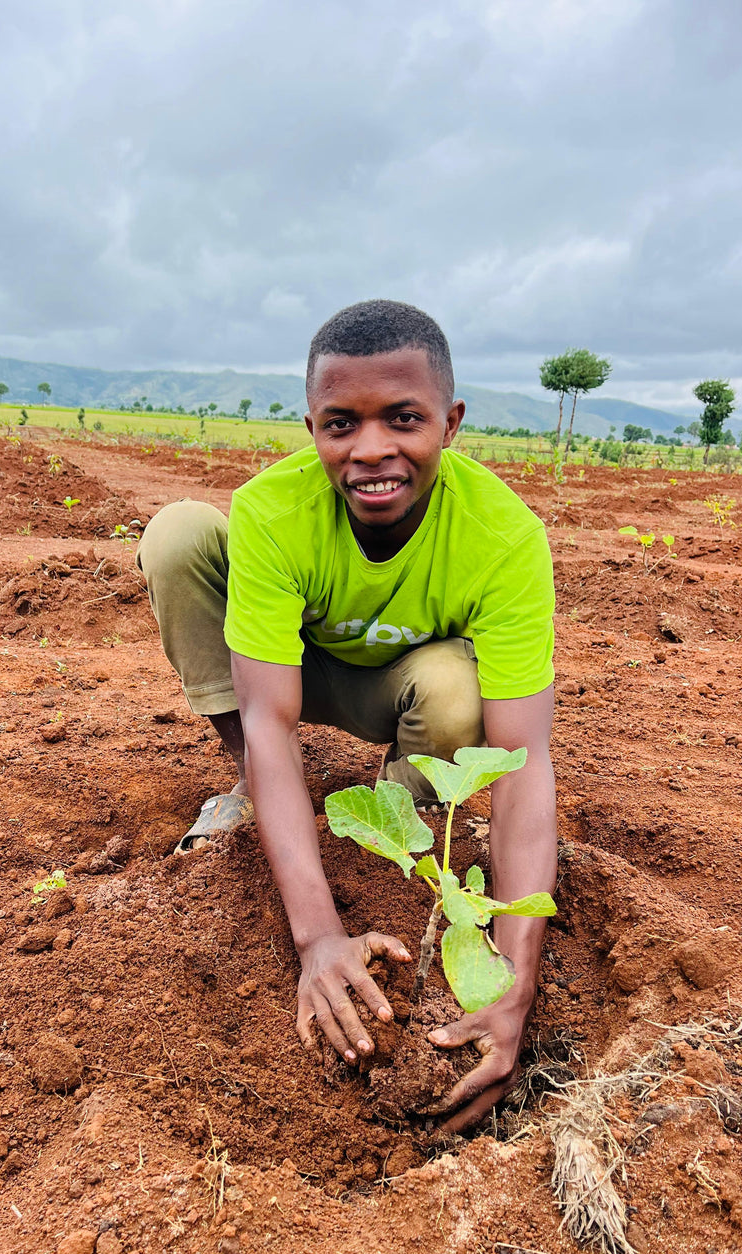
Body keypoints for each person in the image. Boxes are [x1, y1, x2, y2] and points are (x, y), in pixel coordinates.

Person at [137, 300, 556, 1130]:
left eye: (403, 418)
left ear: (452, 421)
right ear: (311, 427)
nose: (370, 449)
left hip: (406, 689)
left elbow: (523, 761)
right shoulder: (273, 510)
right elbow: (268, 715)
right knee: (179, 535)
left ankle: (394, 808)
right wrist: (318, 939)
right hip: (295, 670)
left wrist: (509, 989)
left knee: (456, 691)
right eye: (341, 423)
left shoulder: (505, 537)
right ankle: (256, 795)